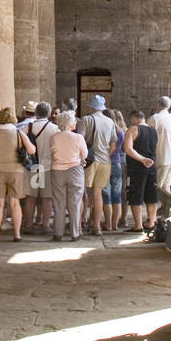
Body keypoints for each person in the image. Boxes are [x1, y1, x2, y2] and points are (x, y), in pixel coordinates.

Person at [0, 106, 35, 242]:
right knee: (15, 203)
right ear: (13, 118)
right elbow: (32, 150)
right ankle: (17, 234)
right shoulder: (18, 132)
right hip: (15, 171)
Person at [77, 95, 117, 236]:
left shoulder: (86, 120)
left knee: (82, 193)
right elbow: (113, 144)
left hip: (89, 160)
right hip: (105, 161)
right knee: (97, 193)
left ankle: (80, 224)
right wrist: (106, 154)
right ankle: (96, 226)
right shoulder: (110, 121)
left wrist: (83, 157)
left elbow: (79, 140)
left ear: (91, 107)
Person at [49, 111, 88, 241]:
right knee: (75, 202)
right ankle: (74, 233)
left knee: (59, 202)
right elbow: (85, 154)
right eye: (74, 121)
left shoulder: (54, 137)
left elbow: (52, 153)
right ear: (70, 123)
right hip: (75, 170)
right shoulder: (78, 138)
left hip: (57, 170)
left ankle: (58, 233)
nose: (76, 122)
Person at [22, 102, 58, 233]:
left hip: (33, 166)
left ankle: (29, 225)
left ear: (36, 113)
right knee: (47, 197)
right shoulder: (54, 128)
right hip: (47, 166)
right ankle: (45, 225)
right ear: (48, 114)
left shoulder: (28, 127)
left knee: (31, 197)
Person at [124, 109, 158, 233]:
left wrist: (142, 159)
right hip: (152, 166)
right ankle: (151, 222)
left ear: (134, 118)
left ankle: (138, 225)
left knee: (136, 195)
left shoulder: (133, 129)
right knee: (151, 195)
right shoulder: (153, 130)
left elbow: (128, 149)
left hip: (138, 167)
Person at [149, 96, 171, 213]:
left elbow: (149, 137)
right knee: (167, 183)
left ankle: (168, 207)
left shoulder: (154, 118)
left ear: (158, 105)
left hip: (160, 154)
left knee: (157, 185)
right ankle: (167, 208)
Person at [104, 108, 127, 232]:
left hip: (106, 162)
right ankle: (114, 224)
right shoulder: (120, 131)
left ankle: (107, 223)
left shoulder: (106, 129)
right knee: (117, 195)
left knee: (106, 194)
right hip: (117, 162)